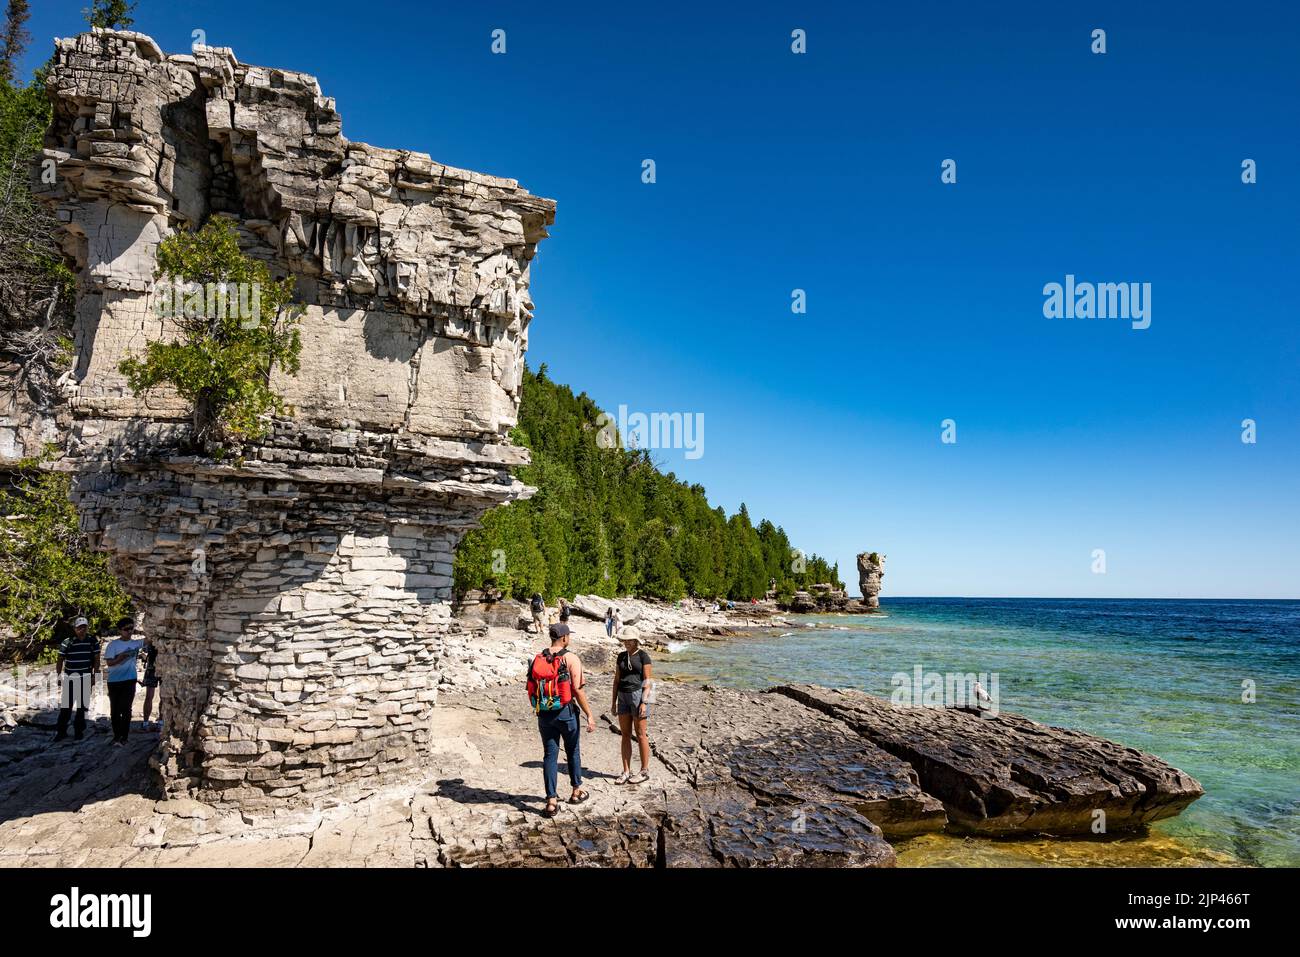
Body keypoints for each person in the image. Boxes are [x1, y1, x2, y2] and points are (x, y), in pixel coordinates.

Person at [527, 612, 595, 817]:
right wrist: (589, 715)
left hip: (544, 713)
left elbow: (530, 687)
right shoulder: (571, 658)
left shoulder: (538, 658)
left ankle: (551, 801)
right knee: (572, 750)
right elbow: (577, 690)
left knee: (550, 755)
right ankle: (576, 791)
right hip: (565, 712)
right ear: (564, 638)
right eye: (569, 636)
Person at [611, 628, 653, 784]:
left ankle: (644, 771)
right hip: (622, 696)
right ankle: (626, 771)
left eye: (629, 640)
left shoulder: (644, 656)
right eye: (625, 640)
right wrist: (613, 702)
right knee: (625, 734)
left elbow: (648, 681)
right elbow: (616, 680)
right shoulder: (621, 656)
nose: (626, 643)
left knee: (641, 734)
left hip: (638, 696)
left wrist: (644, 702)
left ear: (636, 641)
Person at [54, 617, 99, 742]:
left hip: (86, 677)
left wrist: (95, 675)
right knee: (66, 707)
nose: (82, 629)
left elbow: (96, 658)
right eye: (79, 627)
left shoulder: (92, 640)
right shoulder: (67, 642)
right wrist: (58, 676)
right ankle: (61, 731)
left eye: (84, 626)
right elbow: (60, 659)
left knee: (82, 706)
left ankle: (79, 731)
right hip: (70, 678)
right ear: (75, 628)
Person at [102, 617, 144, 746]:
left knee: (126, 709)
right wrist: (120, 658)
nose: (130, 631)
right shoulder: (113, 645)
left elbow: (150, 639)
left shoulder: (136, 643)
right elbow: (109, 663)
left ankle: (124, 736)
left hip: (130, 679)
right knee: (115, 710)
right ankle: (116, 735)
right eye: (126, 629)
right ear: (120, 630)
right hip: (114, 680)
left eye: (132, 628)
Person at [139, 637, 160, 730]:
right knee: (151, 696)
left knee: (162, 696)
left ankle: (147, 723)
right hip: (155, 666)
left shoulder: (152, 637)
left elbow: (145, 651)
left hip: (153, 666)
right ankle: (149, 722)